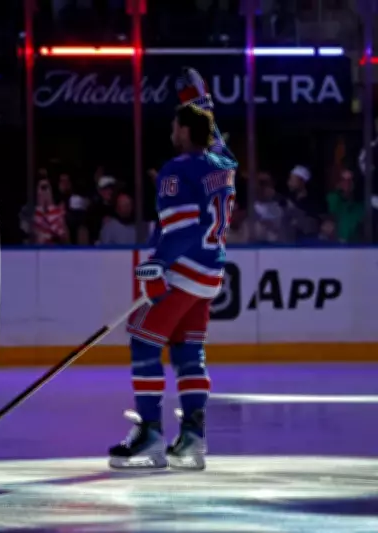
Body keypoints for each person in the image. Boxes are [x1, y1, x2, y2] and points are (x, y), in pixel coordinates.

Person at [109, 68, 238, 471]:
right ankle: (194, 438)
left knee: (143, 341)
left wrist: (157, 265)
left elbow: (181, 229)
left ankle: (149, 433)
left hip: (183, 274)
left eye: (175, 124)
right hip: (209, 276)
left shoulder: (176, 170)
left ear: (184, 131)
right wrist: (202, 103)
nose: (170, 129)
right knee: (188, 351)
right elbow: (215, 139)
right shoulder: (224, 164)